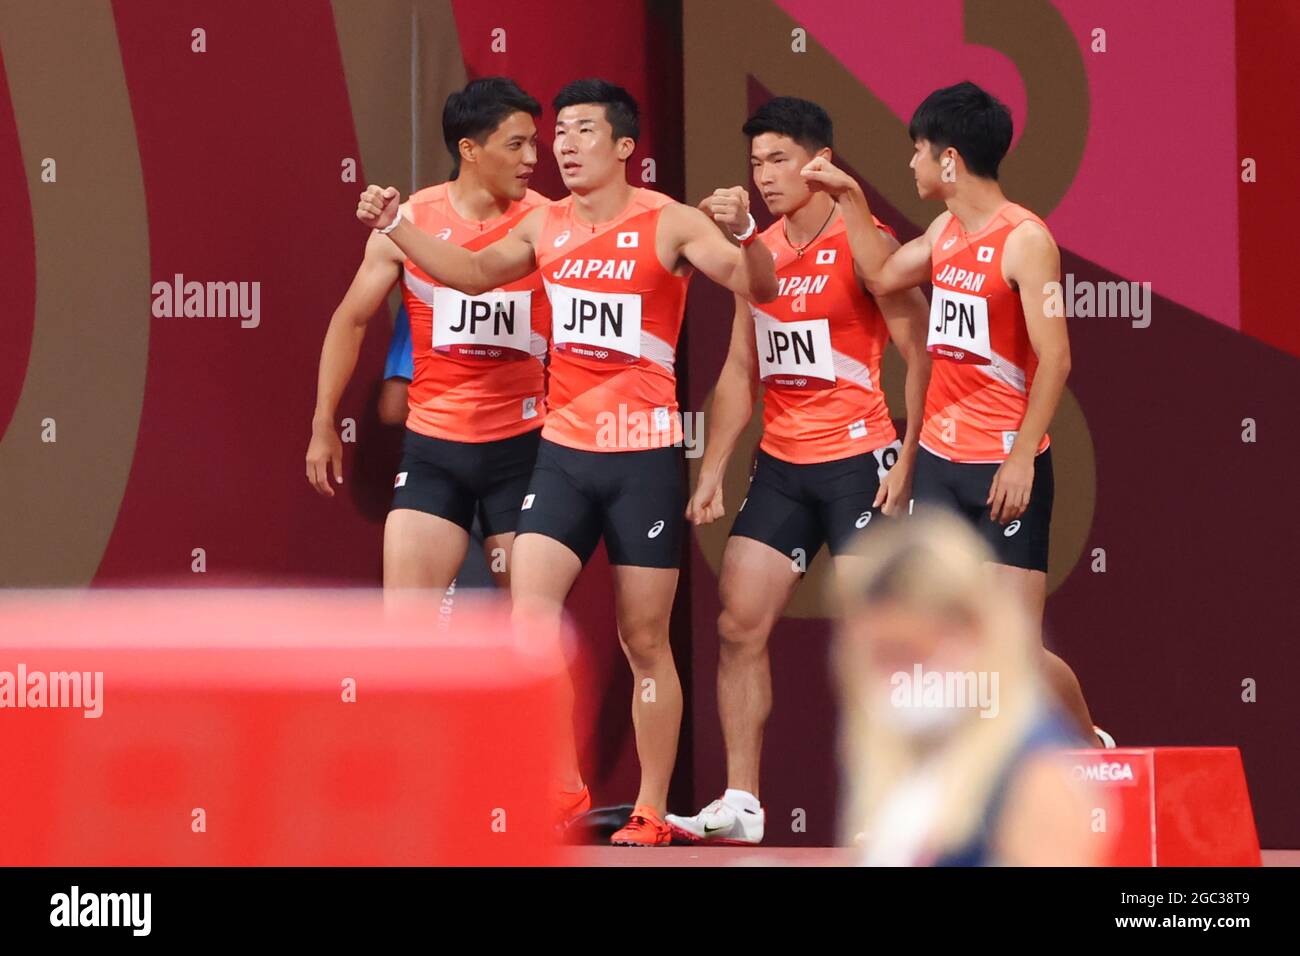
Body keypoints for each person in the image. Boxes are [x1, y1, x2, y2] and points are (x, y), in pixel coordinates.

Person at [357, 78, 779, 845]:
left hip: (642, 460)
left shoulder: (671, 223)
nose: (565, 145)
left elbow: (760, 287)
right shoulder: (544, 224)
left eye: (584, 131)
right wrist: (397, 228)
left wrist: (749, 234)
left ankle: (651, 807)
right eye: (562, 133)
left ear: (625, 147)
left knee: (644, 640)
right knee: (527, 621)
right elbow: (476, 273)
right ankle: (558, 781)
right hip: (562, 455)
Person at [800, 81, 1104, 744]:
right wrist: (849, 196)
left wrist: (1022, 455)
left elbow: (1055, 359)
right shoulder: (943, 232)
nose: (909, 164)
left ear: (949, 161)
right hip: (940, 462)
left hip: (1003, 468)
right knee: (935, 642)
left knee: (1014, 649)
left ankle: (1094, 754)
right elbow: (881, 276)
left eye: (917, 151)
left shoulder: (1026, 241)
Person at [666, 97, 931, 845]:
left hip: (858, 461)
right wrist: (714, 465)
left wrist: (906, 459)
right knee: (737, 625)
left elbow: (921, 358)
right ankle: (743, 804)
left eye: (778, 160)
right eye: (755, 163)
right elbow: (740, 370)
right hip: (782, 466)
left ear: (820, 164)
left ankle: (901, 802)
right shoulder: (760, 253)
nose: (764, 176)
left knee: (878, 637)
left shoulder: (868, 244)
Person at [308, 77, 551, 595]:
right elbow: (350, 320)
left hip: (524, 450)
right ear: (470, 149)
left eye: (534, 143)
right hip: (434, 452)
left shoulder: (549, 224)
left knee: (528, 633)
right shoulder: (411, 221)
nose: (532, 158)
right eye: (516, 144)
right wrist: (323, 421)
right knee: (406, 631)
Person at [834, 511, 1109, 866]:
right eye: (880, 658)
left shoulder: (1034, 775)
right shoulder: (894, 764)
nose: (896, 679)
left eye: (908, 653)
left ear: (970, 633)